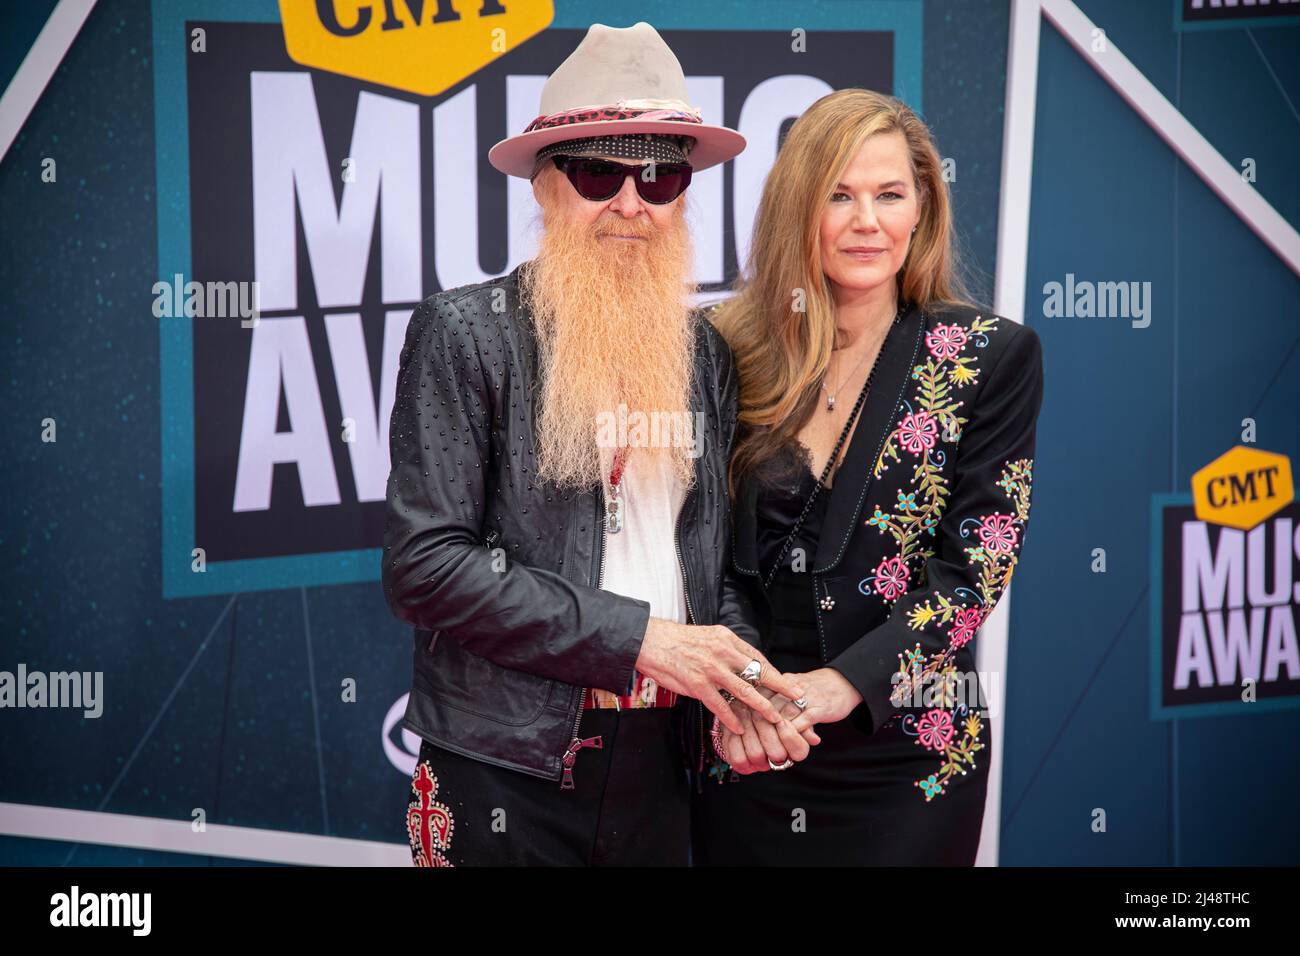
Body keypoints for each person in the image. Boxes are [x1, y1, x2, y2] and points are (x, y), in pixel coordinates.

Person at [382, 21, 809, 867]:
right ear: (545, 187)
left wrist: (739, 684)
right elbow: (426, 565)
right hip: (504, 762)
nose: (629, 202)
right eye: (597, 171)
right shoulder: (466, 333)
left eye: (659, 176)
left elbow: (710, 567)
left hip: (665, 762)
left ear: (682, 194)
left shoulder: (703, 353)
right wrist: (640, 639)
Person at [694, 88, 1044, 865]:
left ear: (922, 208)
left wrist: (842, 685)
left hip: (909, 751)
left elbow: (973, 572)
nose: (867, 222)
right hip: (751, 737)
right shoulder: (723, 347)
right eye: (839, 196)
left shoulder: (988, 357)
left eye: (890, 195)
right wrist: (750, 693)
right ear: (797, 210)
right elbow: (699, 549)